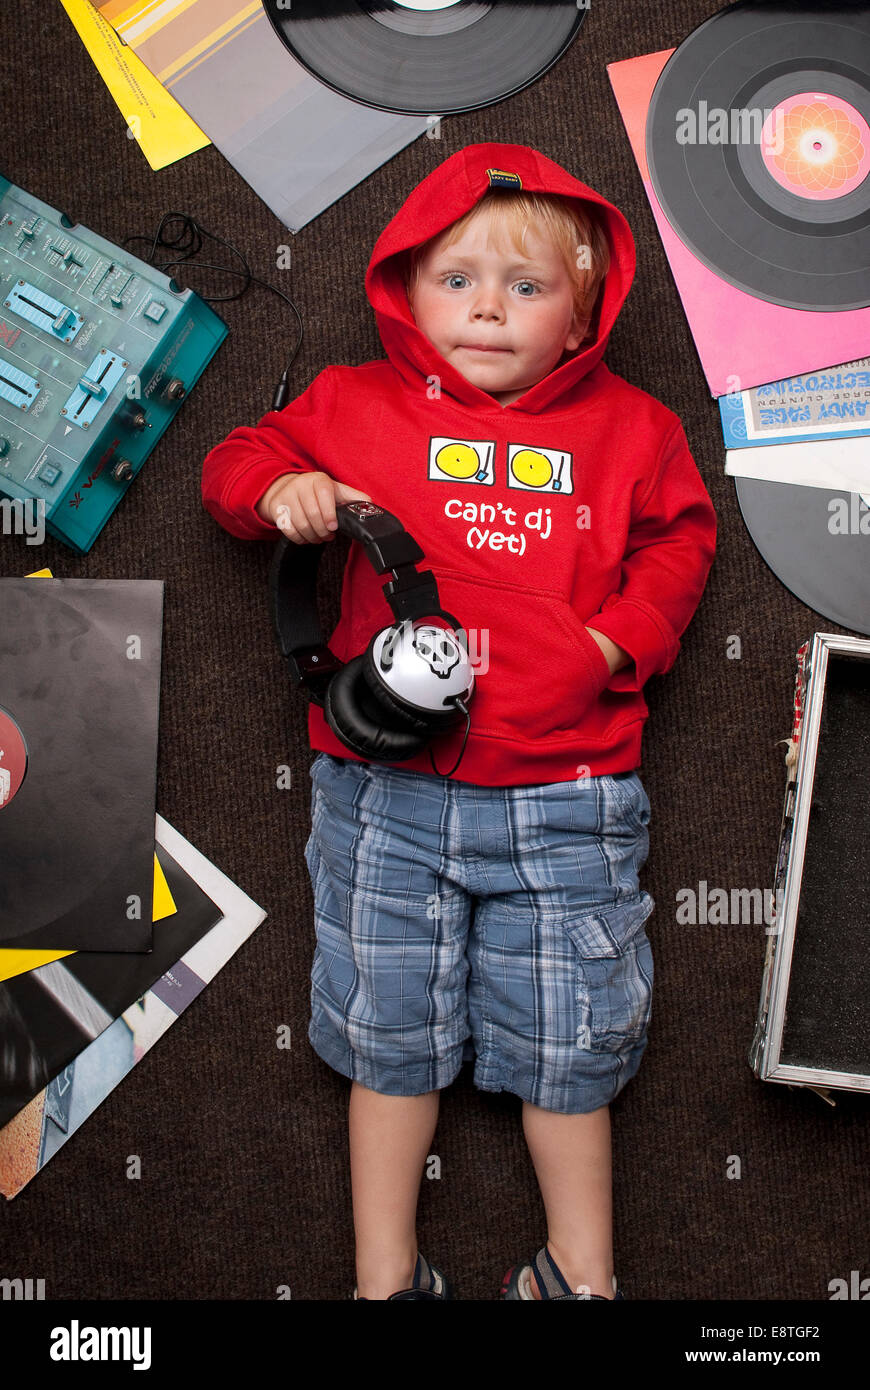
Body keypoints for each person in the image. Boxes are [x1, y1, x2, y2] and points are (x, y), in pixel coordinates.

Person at [201, 142, 717, 1301]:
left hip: (568, 788)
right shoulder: (353, 401)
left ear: (583, 313)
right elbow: (234, 461)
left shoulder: (635, 428)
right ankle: (384, 1277)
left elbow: (680, 542)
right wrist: (278, 489)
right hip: (386, 787)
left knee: (573, 1039)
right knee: (386, 1032)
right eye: (457, 280)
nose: (487, 308)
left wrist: (614, 645)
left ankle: (581, 1272)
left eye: (526, 287)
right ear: (405, 289)